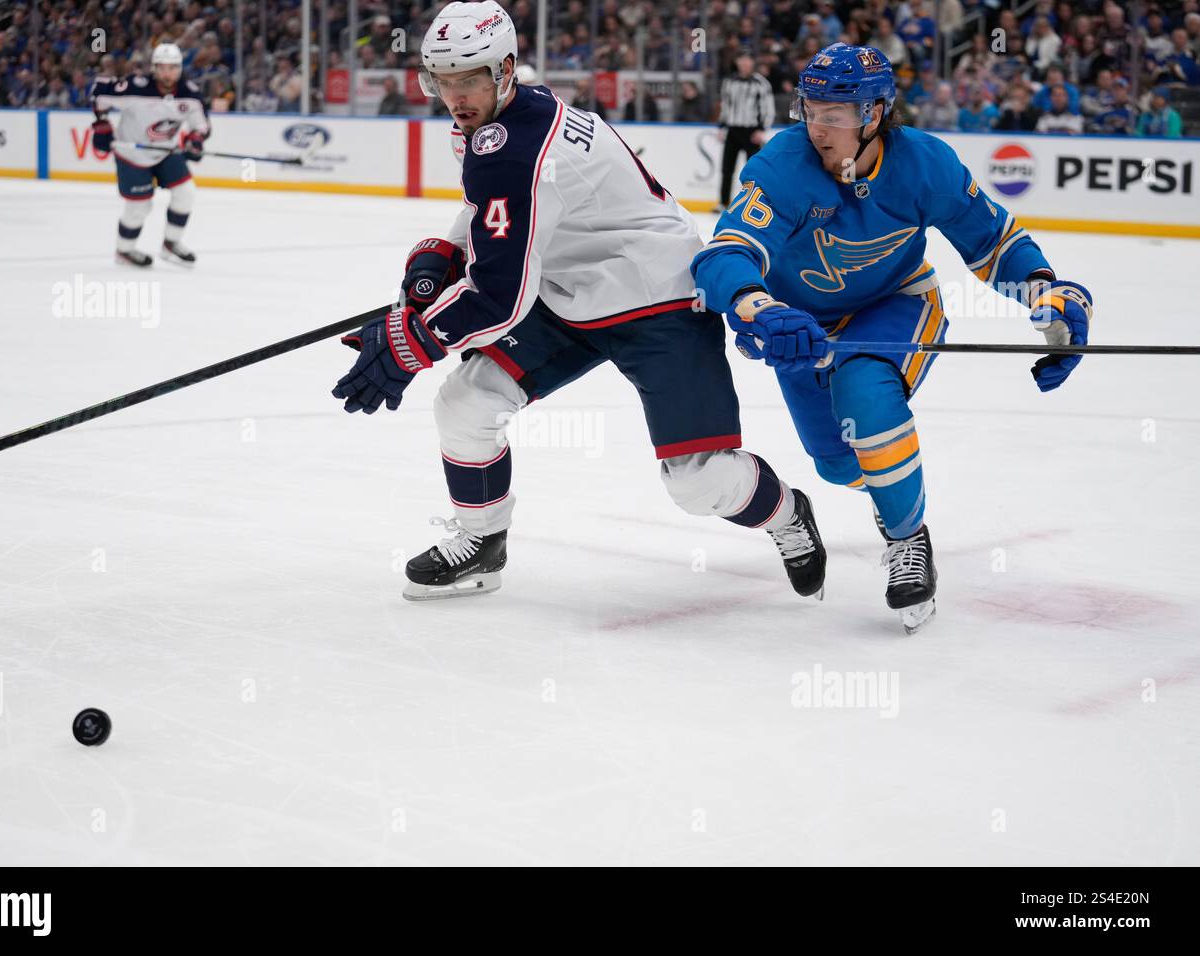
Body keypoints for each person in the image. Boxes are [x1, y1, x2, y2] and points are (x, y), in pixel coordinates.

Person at [331, 1, 827, 602]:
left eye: (469, 79)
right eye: (443, 81)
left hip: (658, 297)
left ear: (505, 69)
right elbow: (492, 212)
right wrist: (442, 252)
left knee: (698, 484)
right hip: (570, 293)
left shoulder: (521, 148)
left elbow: (500, 298)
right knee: (466, 403)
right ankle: (482, 543)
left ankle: (786, 514)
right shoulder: (497, 124)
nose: (455, 96)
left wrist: (412, 341)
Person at [691, 44, 1093, 633]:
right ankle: (891, 491)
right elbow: (726, 253)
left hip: (896, 303)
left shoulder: (925, 165)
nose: (819, 128)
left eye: (837, 114)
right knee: (834, 464)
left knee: (866, 393)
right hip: (799, 328)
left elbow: (994, 242)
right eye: (811, 110)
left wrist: (1044, 292)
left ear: (876, 113)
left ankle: (907, 540)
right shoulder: (782, 165)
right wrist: (759, 308)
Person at [90, 43, 211, 267]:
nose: (168, 73)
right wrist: (102, 125)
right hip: (132, 155)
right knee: (140, 206)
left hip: (166, 151)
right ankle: (124, 250)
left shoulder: (190, 94)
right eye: (162, 68)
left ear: (180, 68)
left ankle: (170, 244)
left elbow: (201, 124)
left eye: (173, 68)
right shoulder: (135, 87)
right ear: (154, 68)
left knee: (186, 192)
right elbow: (98, 92)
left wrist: (196, 140)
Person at [716, 52, 775, 212]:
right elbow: (726, 106)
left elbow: (768, 108)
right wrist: (722, 126)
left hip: (752, 131)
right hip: (733, 129)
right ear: (737, 61)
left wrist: (762, 130)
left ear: (752, 62)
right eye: (741, 59)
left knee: (753, 170)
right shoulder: (728, 82)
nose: (744, 63)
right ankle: (723, 202)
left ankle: (752, 202)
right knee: (727, 169)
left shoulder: (761, 83)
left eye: (748, 59)